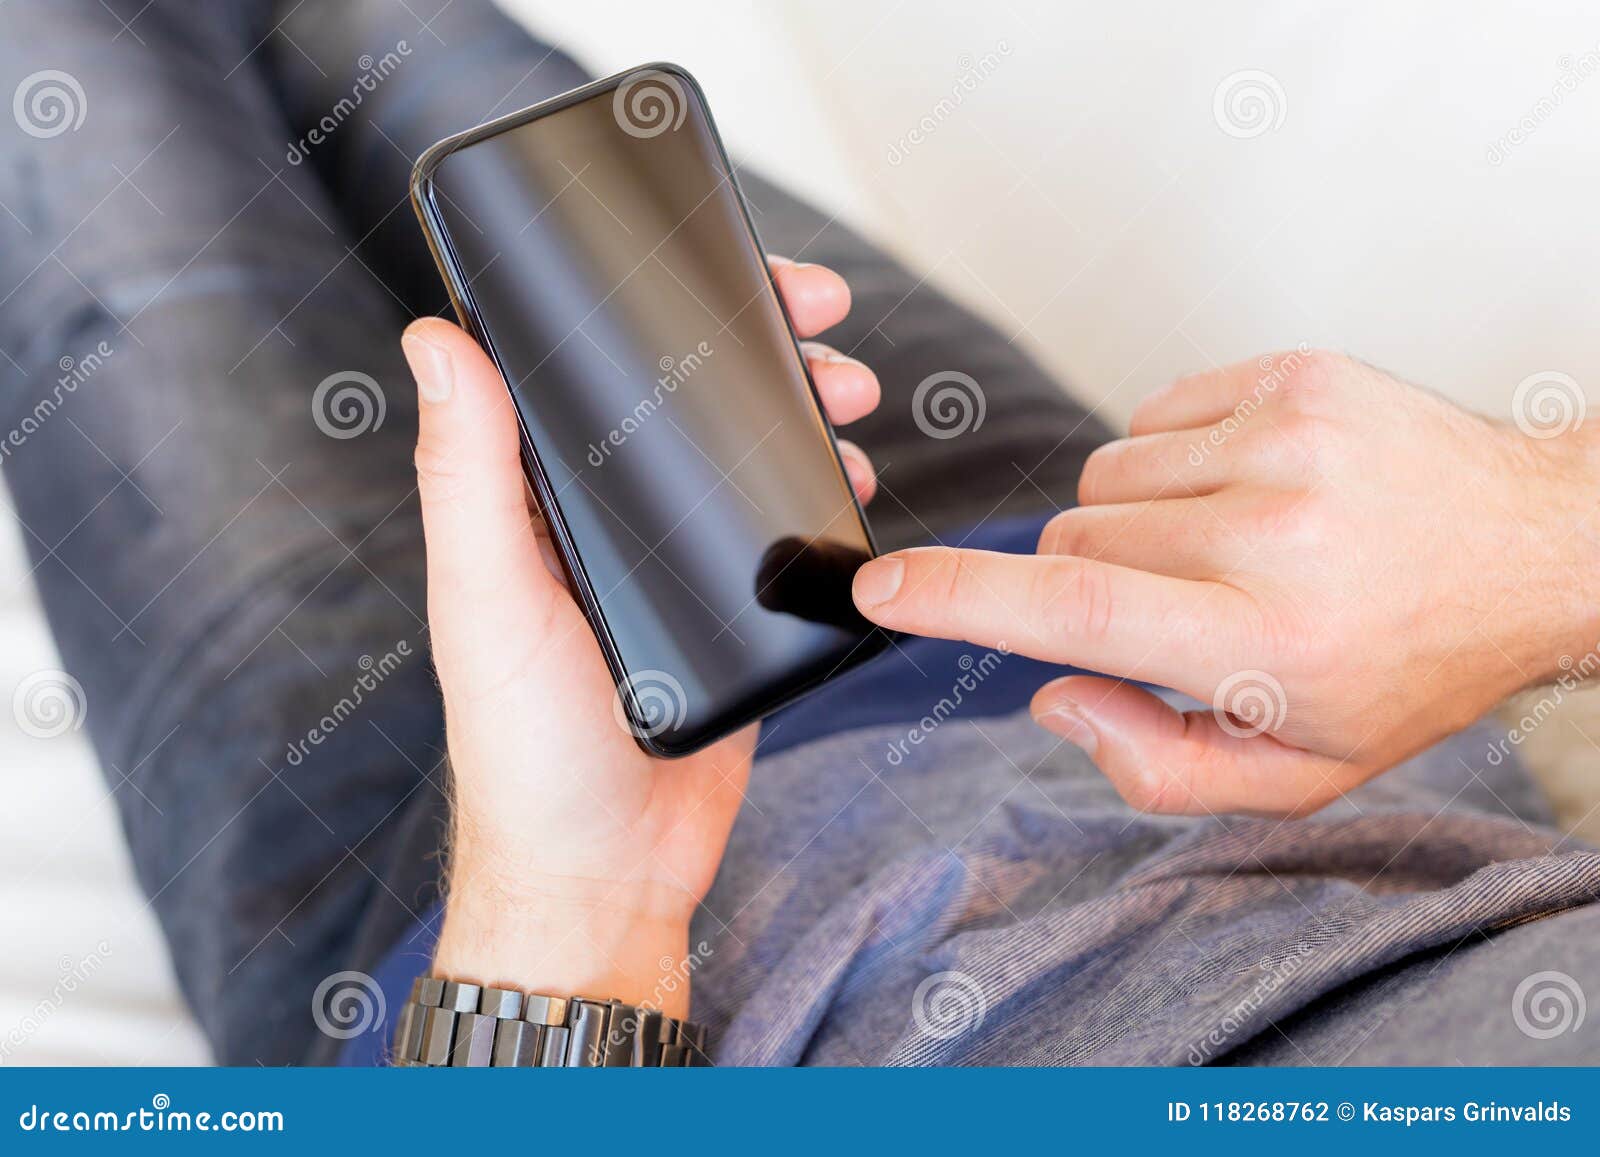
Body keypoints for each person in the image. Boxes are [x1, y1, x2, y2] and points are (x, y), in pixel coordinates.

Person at [1, 0, 1594, 1068]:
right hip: (1057, 564)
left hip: (461, 906)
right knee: (422, 51)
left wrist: (574, 909)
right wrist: (1538, 547)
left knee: (66, 96)